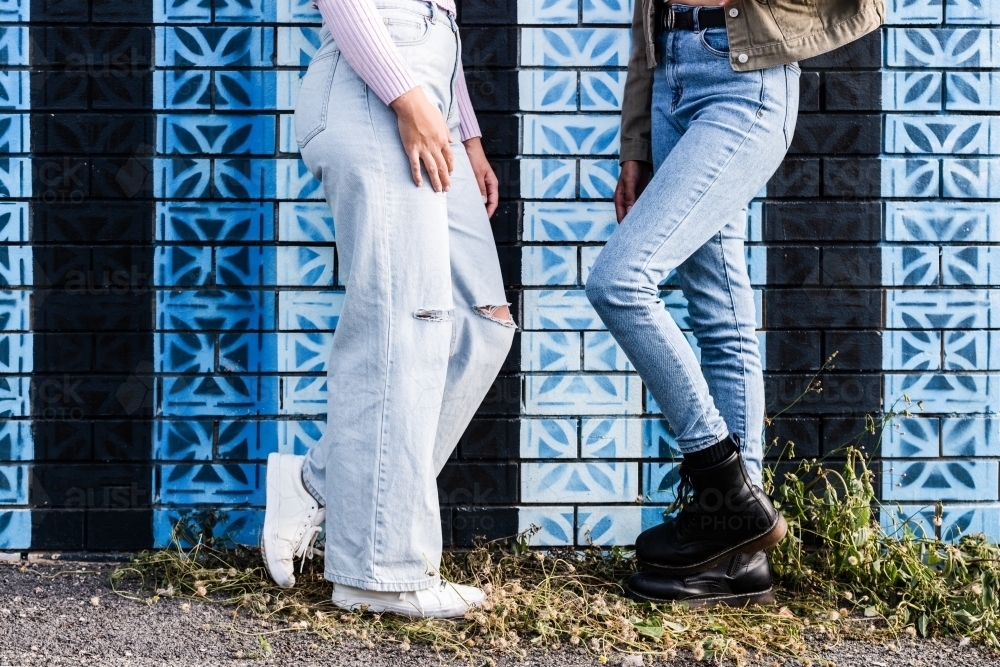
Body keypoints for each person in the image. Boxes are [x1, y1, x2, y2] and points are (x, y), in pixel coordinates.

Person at [585, 0, 884, 606]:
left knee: (620, 280)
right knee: (720, 314)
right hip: (670, 77)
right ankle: (739, 561)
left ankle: (722, 482)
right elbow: (646, 18)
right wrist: (634, 142)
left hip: (744, 81)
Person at [260, 0, 517, 618]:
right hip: (374, 87)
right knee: (402, 324)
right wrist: (406, 98)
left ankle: (320, 483)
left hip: (430, 84)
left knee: (480, 323)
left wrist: (467, 132)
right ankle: (378, 575)